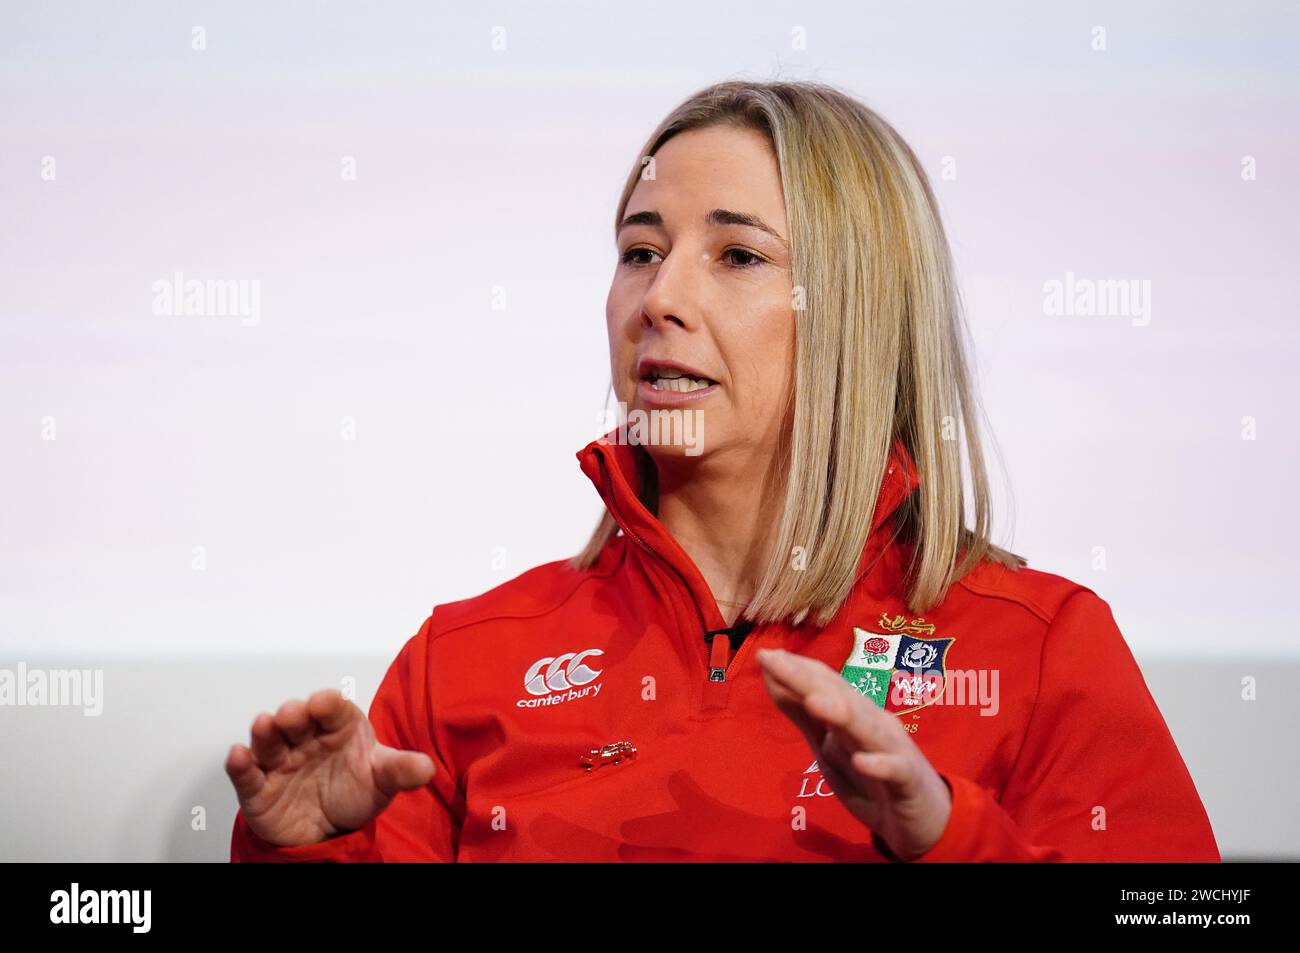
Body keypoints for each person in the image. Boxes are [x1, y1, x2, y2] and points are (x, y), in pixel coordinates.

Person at [225, 79, 1219, 862]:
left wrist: (946, 839)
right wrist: (307, 848)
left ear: (858, 308)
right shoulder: (461, 659)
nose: (659, 296)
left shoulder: (1038, 644)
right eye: (638, 251)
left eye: (737, 255)